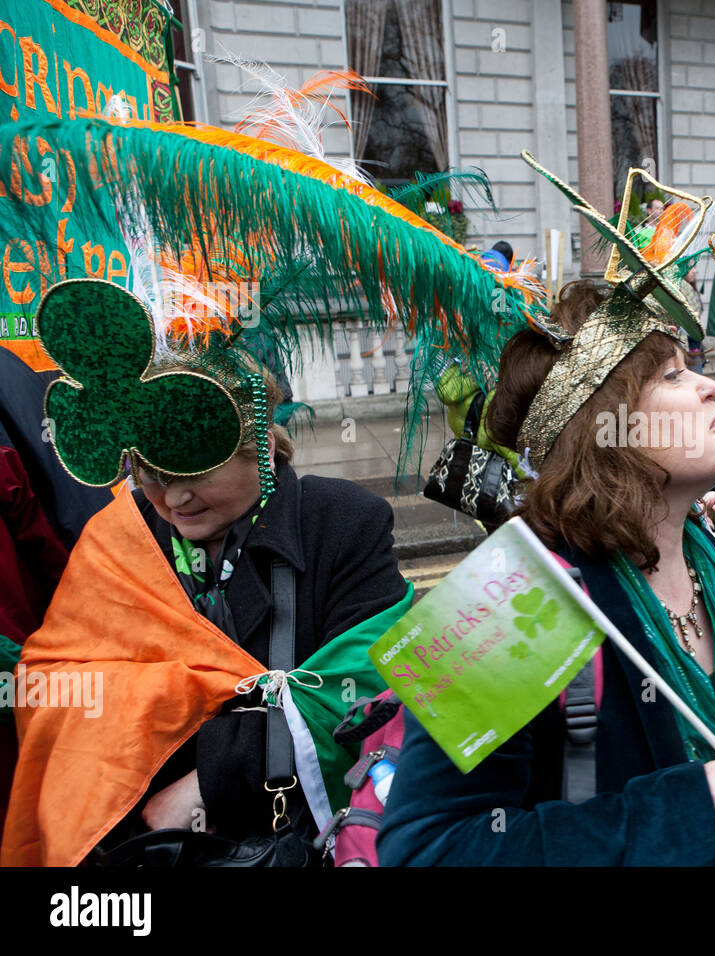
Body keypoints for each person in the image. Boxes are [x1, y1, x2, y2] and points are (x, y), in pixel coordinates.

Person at [379, 267, 715, 865]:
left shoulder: (701, 551)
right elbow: (425, 849)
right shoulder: (507, 597)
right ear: (606, 426)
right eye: (672, 375)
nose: (709, 387)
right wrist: (661, 820)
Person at [1, 280, 411, 866]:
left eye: (196, 471)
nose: (174, 498)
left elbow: (374, 694)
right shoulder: (124, 534)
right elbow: (61, 681)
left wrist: (204, 778)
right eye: (151, 473)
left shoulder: (342, 522)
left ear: (264, 452)